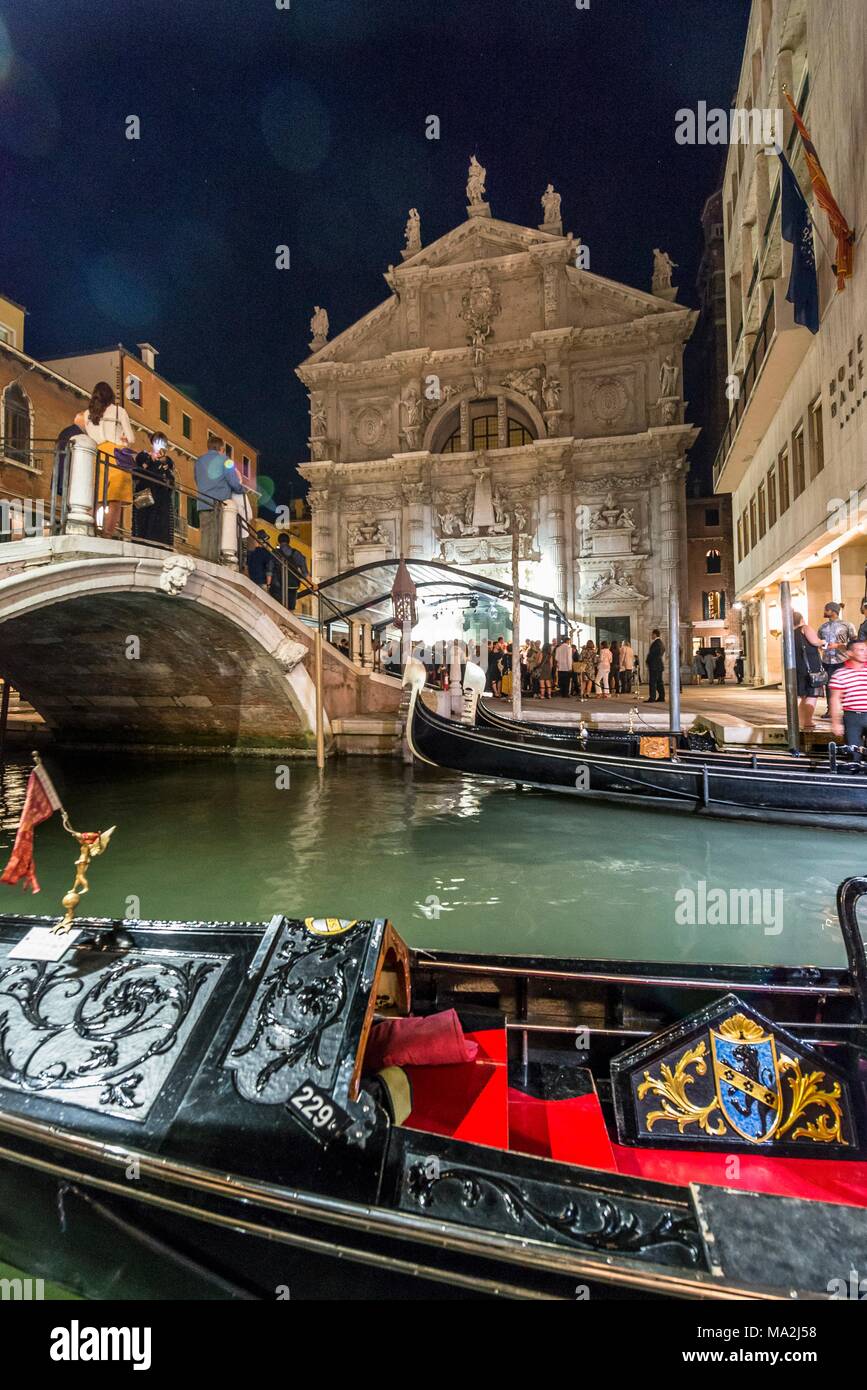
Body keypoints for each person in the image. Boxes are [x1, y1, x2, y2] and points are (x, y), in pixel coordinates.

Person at [75, 381, 137, 539]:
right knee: (115, 500)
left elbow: (78, 424)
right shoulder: (119, 411)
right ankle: (107, 534)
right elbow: (131, 438)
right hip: (116, 455)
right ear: (111, 396)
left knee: (96, 497)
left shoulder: (87, 414)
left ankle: (89, 530)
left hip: (96, 454)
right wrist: (123, 439)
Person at [194, 444, 249, 561]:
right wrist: (241, 489)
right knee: (215, 534)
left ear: (208, 447)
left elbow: (196, 479)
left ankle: (204, 560)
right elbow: (233, 481)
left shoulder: (199, 461)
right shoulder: (226, 460)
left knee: (205, 534)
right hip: (218, 502)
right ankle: (212, 562)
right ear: (222, 449)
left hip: (202, 501)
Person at [132, 433, 175, 546]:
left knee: (160, 525)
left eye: (163, 443)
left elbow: (170, 477)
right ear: (152, 443)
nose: (161, 445)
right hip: (144, 493)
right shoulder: (143, 455)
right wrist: (150, 459)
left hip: (161, 497)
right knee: (142, 523)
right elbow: (139, 469)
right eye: (158, 442)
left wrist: (164, 462)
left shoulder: (168, 461)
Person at [818, 602, 854, 717]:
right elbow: (818, 641)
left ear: (832, 611)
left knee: (845, 686)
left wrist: (838, 645)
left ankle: (847, 711)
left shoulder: (847, 625)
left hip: (842, 660)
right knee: (828, 686)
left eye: (826, 610)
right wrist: (820, 645)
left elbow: (854, 642)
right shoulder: (822, 627)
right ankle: (830, 711)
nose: (824, 612)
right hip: (827, 661)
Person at [829, 638, 867, 748]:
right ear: (850, 653)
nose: (865, 653)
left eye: (866, 650)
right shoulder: (840, 674)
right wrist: (835, 723)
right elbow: (835, 700)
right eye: (861, 650)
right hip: (852, 717)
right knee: (853, 752)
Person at [793, 610, 825, 732]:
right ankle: (807, 721)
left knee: (804, 695)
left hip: (799, 666)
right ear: (801, 619)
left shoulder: (790, 633)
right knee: (812, 693)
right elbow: (815, 641)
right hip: (810, 666)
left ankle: (801, 720)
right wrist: (824, 642)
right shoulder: (804, 628)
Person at [275, 531, 309, 610]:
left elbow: (270, 568)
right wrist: (311, 583)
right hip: (293, 584)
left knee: (279, 606)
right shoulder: (296, 553)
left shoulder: (275, 552)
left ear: (279, 542)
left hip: (279, 584)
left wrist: (269, 583)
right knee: (291, 607)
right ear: (289, 542)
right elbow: (304, 570)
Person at [645, 629, 665, 703]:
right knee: (659, 681)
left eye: (652, 634)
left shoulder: (656, 643)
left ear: (655, 634)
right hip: (659, 665)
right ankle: (661, 697)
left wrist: (647, 661)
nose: (651, 636)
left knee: (653, 682)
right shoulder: (661, 643)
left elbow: (652, 654)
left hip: (654, 665)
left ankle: (652, 697)